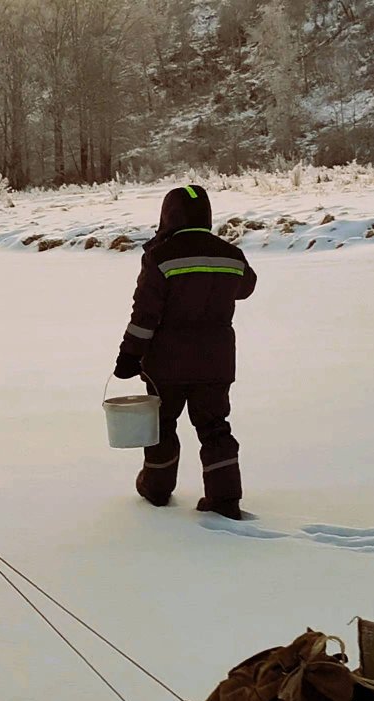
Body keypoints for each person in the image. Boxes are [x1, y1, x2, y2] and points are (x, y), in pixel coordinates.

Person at [114, 184, 257, 519]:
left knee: (162, 425)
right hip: (217, 362)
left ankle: (157, 489)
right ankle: (225, 500)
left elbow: (145, 316)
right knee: (215, 426)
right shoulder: (230, 254)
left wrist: (129, 356)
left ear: (168, 215)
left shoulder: (161, 256)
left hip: (167, 363)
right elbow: (246, 287)